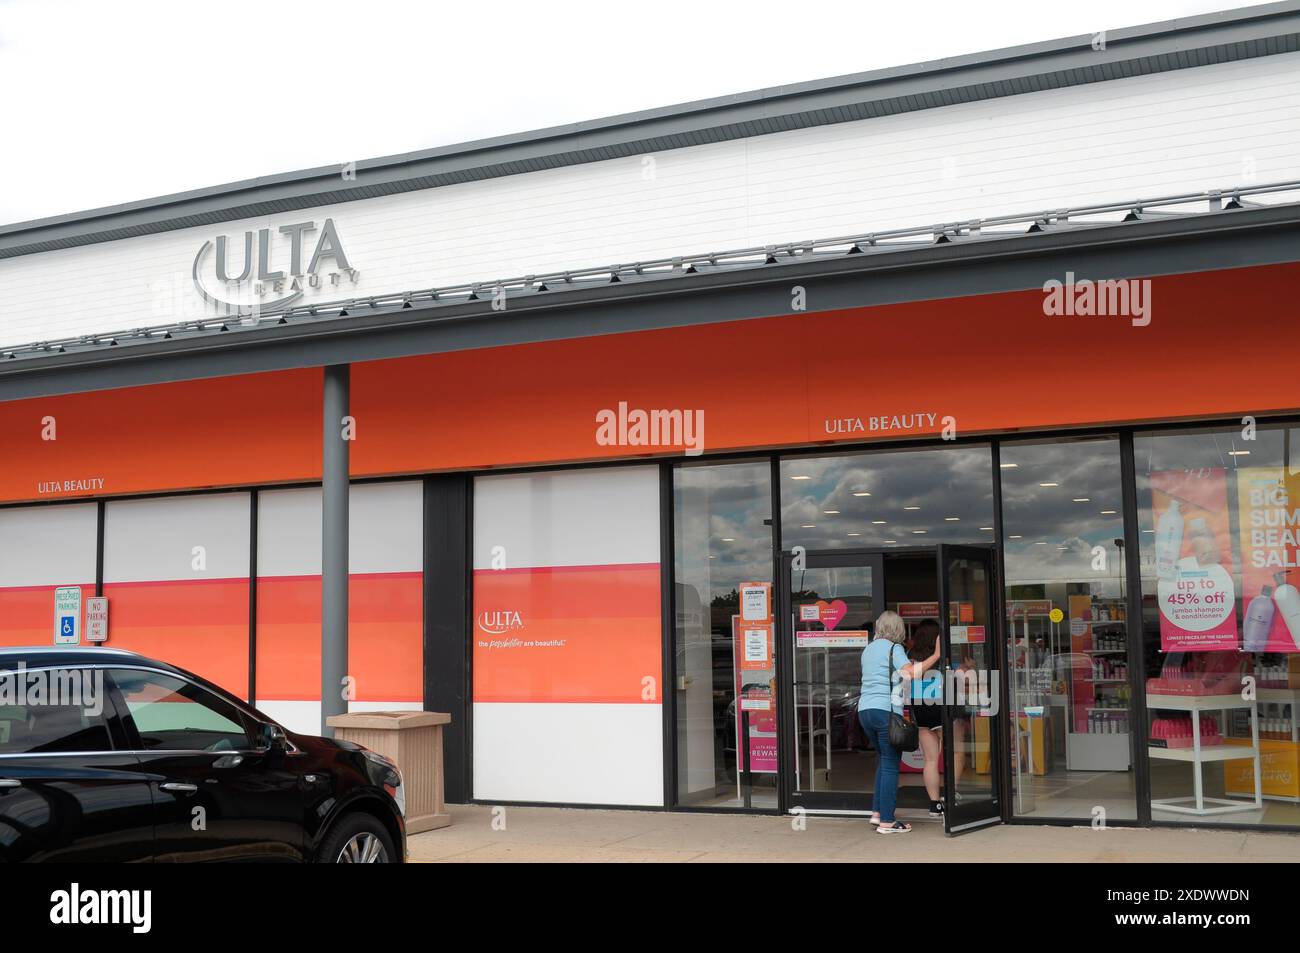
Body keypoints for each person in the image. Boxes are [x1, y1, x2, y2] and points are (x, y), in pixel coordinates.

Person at [858, 610, 931, 833]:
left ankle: (878, 813)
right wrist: (935, 656)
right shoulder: (894, 648)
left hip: (865, 711)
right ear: (898, 629)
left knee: (884, 760)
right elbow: (911, 673)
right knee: (890, 765)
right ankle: (888, 822)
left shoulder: (868, 649)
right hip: (885, 711)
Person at [907, 620, 947, 817]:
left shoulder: (910, 656)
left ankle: (935, 805)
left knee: (930, 759)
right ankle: (952, 796)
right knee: (951, 754)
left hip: (920, 709)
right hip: (939, 705)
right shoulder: (941, 657)